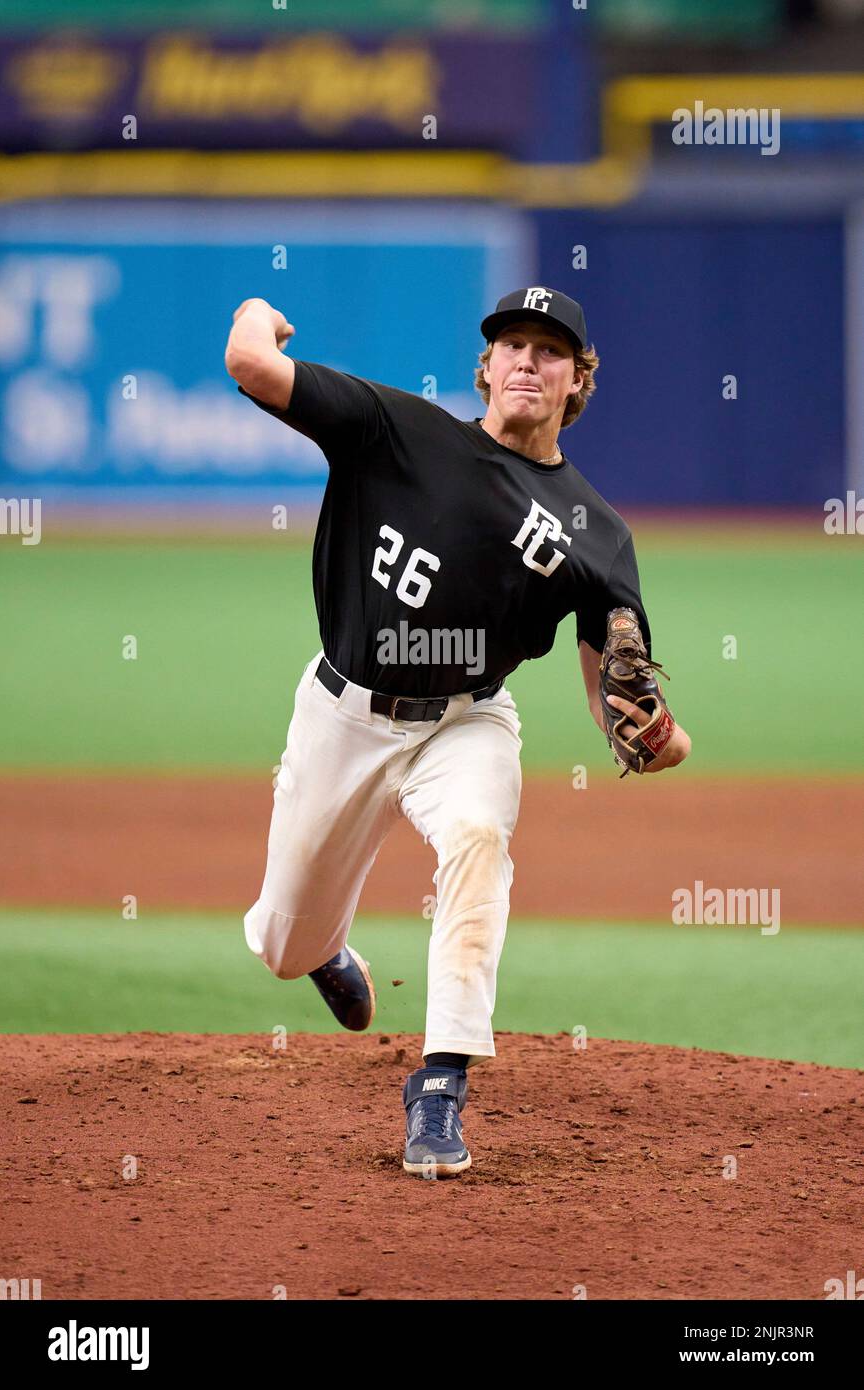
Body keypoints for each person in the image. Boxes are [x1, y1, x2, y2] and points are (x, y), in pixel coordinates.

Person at [225, 286, 691, 1178]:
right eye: (511, 343)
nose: (526, 360)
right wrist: (257, 308)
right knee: (284, 948)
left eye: (549, 351)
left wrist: (660, 740)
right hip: (343, 715)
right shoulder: (397, 428)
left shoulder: (600, 535)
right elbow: (251, 363)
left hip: (469, 721)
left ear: (578, 381)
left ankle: (439, 1088)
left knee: (479, 837)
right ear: (485, 367)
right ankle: (323, 946)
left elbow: (616, 707)